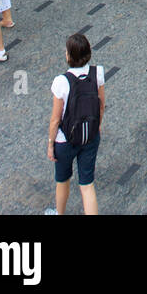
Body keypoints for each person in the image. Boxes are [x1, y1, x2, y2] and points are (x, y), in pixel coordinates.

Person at [47, 32, 105, 215]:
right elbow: (101, 105)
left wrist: (51, 144)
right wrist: (97, 128)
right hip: (90, 136)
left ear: (69, 56)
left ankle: (59, 213)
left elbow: (56, 119)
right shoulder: (98, 73)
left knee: (62, 180)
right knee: (87, 185)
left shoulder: (61, 82)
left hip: (65, 140)